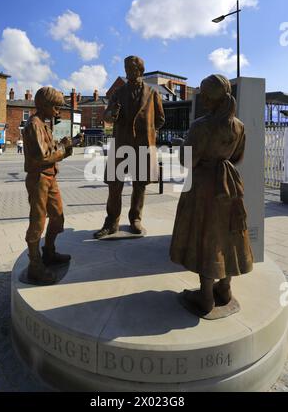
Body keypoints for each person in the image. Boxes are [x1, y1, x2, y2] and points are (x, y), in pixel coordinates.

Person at [170, 74, 253, 314]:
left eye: (205, 94)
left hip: (204, 185)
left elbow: (187, 160)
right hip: (230, 184)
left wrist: (184, 146)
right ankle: (225, 287)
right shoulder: (238, 125)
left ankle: (206, 296)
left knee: (205, 234)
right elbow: (237, 157)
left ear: (211, 97)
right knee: (229, 234)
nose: (203, 99)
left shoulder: (201, 126)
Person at [94, 55, 165, 238]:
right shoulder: (118, 92)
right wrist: (112, 115)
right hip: (122, 143)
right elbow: (107, 117)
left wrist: (148, 132)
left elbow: (160, 119)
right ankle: (111, 223)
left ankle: (135, 219)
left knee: (139, 185)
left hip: (142, 145)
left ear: (140, 70)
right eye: (126, 68)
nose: (128, 72)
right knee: (114, 185)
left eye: (131, 69)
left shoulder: (152, 92)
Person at [23, 86, 77, 284]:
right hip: (38, 179)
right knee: (38, 221)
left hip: (50, 177)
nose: (58, 111)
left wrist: (63, 144)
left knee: (57, 215)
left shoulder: (45, 125)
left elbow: (50, 148)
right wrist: (63, 148)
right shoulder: (34, 125)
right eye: (56, 107)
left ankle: (49, 253)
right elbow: (42, 156)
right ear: (45, 105)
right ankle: (35, 265)